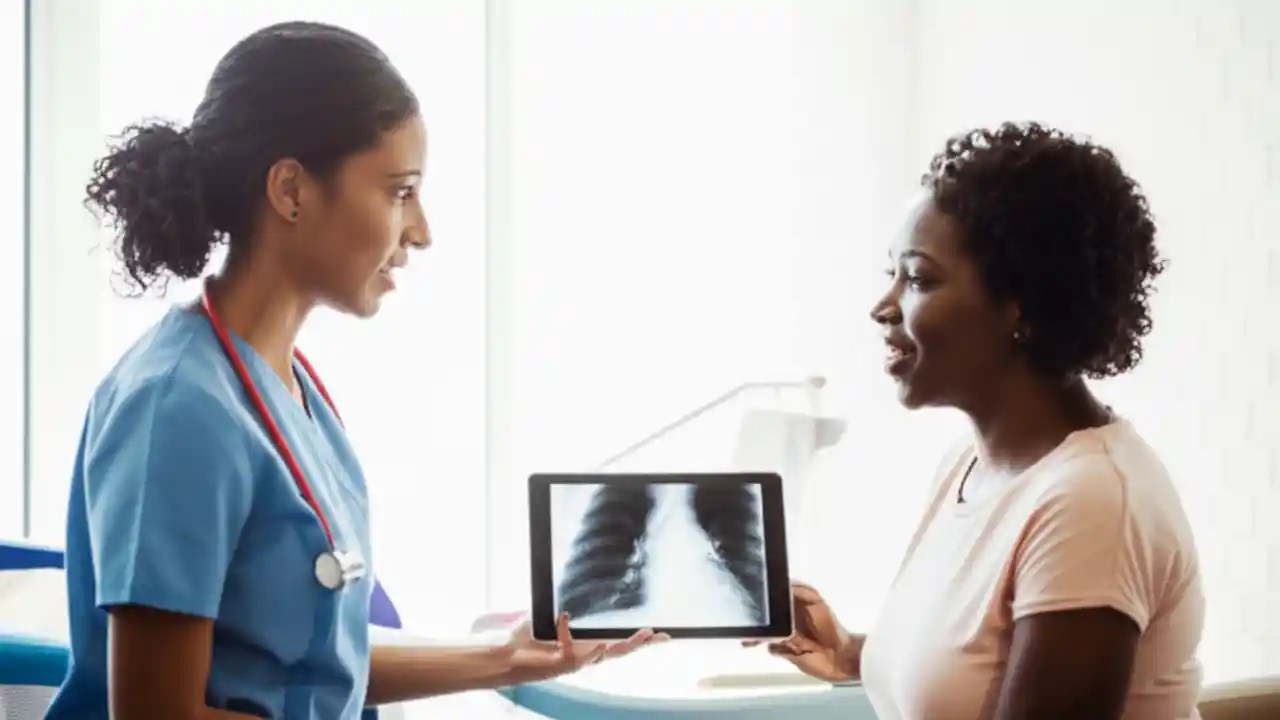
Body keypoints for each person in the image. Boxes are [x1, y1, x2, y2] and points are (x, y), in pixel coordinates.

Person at [46, 22, 666, 720]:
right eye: (400, 191)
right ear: (290, 190)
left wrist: (505, 657)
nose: (422, 230)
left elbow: (313, 667)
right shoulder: (178, 408)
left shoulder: (287, 386)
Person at [753, 122, 1204, 719]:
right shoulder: (971, 465)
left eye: (917, 278)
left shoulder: (1092, 504)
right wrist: (847, 653)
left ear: (1022, 303)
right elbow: (976, 676)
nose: (883, 306)